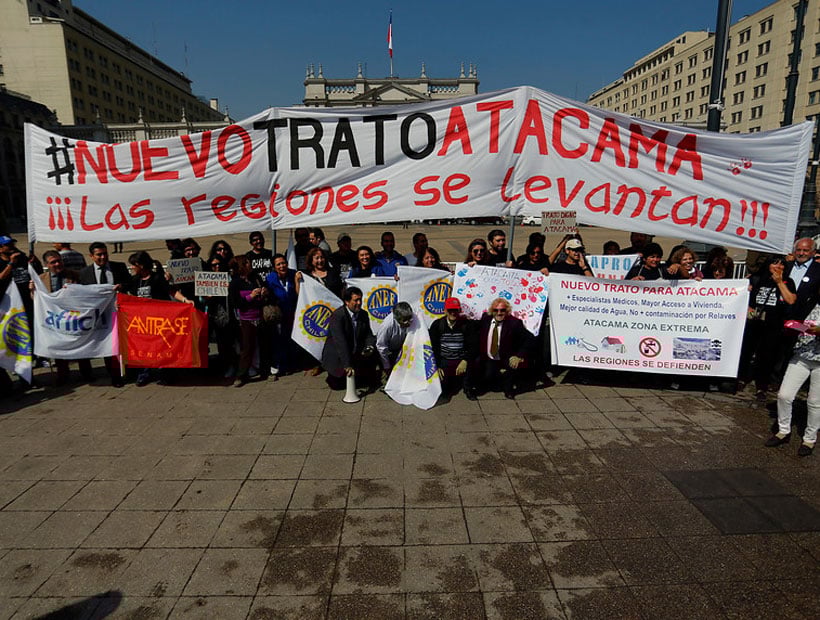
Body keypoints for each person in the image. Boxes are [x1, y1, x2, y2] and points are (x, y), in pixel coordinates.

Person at [127, 251, 192, 387]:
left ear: (141, 265)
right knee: (144, 349)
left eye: (133, 265)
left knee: (162, 347)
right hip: (143, 322)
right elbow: (130, 297)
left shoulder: (157, 278)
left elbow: (171, 291)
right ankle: (144, 373)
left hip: (159, 320)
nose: (132, 268)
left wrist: (185, 300)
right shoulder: (134, 281)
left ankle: (165, 373)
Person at [739, 256, 796, 400]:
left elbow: (790, 300)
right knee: (746, 352)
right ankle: (741, 379)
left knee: (766, 356)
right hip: (755, 322)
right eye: (775, 263)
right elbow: (748, 299)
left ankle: (761, 386)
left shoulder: (788, 282)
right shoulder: (758, 278)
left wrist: (779, 282)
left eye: (782, 264)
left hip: (773, 325)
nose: (778, 266)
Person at [769, 301, 820, 457]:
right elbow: (794, 317)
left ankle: (809, 439)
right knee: (784, 395)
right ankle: (783, 431)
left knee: (814, 402)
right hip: (801, 356)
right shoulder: (811, 303)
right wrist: (794, 327)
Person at [78, 242, 129, 387]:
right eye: (99, 254)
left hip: (116, 313)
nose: (103, 257)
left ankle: (117, 376)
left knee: (116, 345)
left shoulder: (119, 267)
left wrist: (122, 286)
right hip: (97, 316)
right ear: (91, 256)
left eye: (105, 253)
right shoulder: (84, 273)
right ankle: (103, 372)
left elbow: (129, 283)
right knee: (103, 344)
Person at [36, 251, 87, 386]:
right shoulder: (41, 279)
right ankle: (63, 375)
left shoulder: (74, 275)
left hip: (74, 318)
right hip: (55, 319)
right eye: (53, 262)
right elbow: (38, 302)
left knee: (79, 345)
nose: (57, 264)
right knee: (59, 347)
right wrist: (32, 291)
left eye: (59, 261)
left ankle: (86, 373)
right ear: (46, 264)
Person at [466, 297, 533, 400]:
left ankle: (508, 389)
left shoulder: (514, 323)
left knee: (513, 364)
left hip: (505, 357)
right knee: (477, 365)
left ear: (507, 311)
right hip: (488, 357)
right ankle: (472, 388)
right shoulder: (485, 319)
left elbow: (529, 339)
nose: (499, 313)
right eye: (496, 310)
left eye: (502, 310)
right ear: (492, 311)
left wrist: (519, 356)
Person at [321, 286, 377, 391]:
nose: (359, 303)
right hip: (337, 354)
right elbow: (340, 342)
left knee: (364, 381)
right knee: (337, 386)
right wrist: (347, 365)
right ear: (347, 302)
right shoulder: (337, 316)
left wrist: (370, 346)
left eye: (360, 299)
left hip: (355, 352)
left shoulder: (363, 314)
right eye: (356, 300)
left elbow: (368, 334)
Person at [229, 255, 271, 387]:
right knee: (247, 348)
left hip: (260, 317)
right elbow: (235, 303)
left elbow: (265, 290)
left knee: (264, 345)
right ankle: (241, 375)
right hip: (246, 320)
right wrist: (250, 296)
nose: (250, 264)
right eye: (246, 262)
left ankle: (265, 370)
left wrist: (264, 292)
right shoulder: (235, 283)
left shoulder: (255, 277)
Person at [429, 297, 473, 398]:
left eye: (455, 310)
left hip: (460, 359)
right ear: (445, 311)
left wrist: (465, 360)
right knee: (445, 388)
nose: (453, 313)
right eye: (450, 310)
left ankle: (467, 387)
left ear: (459, 311)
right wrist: (437, 365)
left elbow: (472, 345)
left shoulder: (466, 324)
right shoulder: (437, 325)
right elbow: (433, 347)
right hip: (445, 359)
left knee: (472, 363)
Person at [203, 253, 237, 379]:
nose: (216, 266)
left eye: (218, 264)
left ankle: (233, 365)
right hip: (214, 314)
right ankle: (225, 366)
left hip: (229, 314)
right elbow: (201, 299)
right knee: (220, 343)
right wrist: (206, 297)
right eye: (213, 265)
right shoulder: (206, 279)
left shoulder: (229, 277)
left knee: (230, 342)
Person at [266, 253, 299, 377]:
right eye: (278, 264)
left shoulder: (293, 274)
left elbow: (298, 294)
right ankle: (278, 365)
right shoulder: (270, 279)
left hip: (292, 311)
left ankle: (291, 364)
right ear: (274, 267)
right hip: (279, 314)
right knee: (279, 340)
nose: (282, 266)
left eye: (283, 263)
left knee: (291, 339)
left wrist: (296, 281)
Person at [376, 302, 414, 375]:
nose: (408, 323)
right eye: (405, 320)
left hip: (403, 350)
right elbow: (381, 347)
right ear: (397, 318)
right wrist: (387, 367)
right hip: (388, 352)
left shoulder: (411, 317)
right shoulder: (387, 325)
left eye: (410, 319)